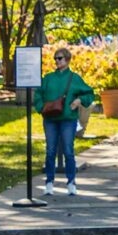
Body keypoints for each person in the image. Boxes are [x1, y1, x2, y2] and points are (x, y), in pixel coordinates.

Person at [36, 46, 97, 194]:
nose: (57, 61)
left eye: (60, 58)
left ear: (68, 60)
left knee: (68, 151)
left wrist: (79, 100)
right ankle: (49, 182)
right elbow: (38, 95)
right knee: (50, 151)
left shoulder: (74, 78)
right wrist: (41, 108)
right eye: (55, 58)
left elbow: (89, 94)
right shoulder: (48, 78)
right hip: (50, 119)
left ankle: (71, 182)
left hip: (68, 120)